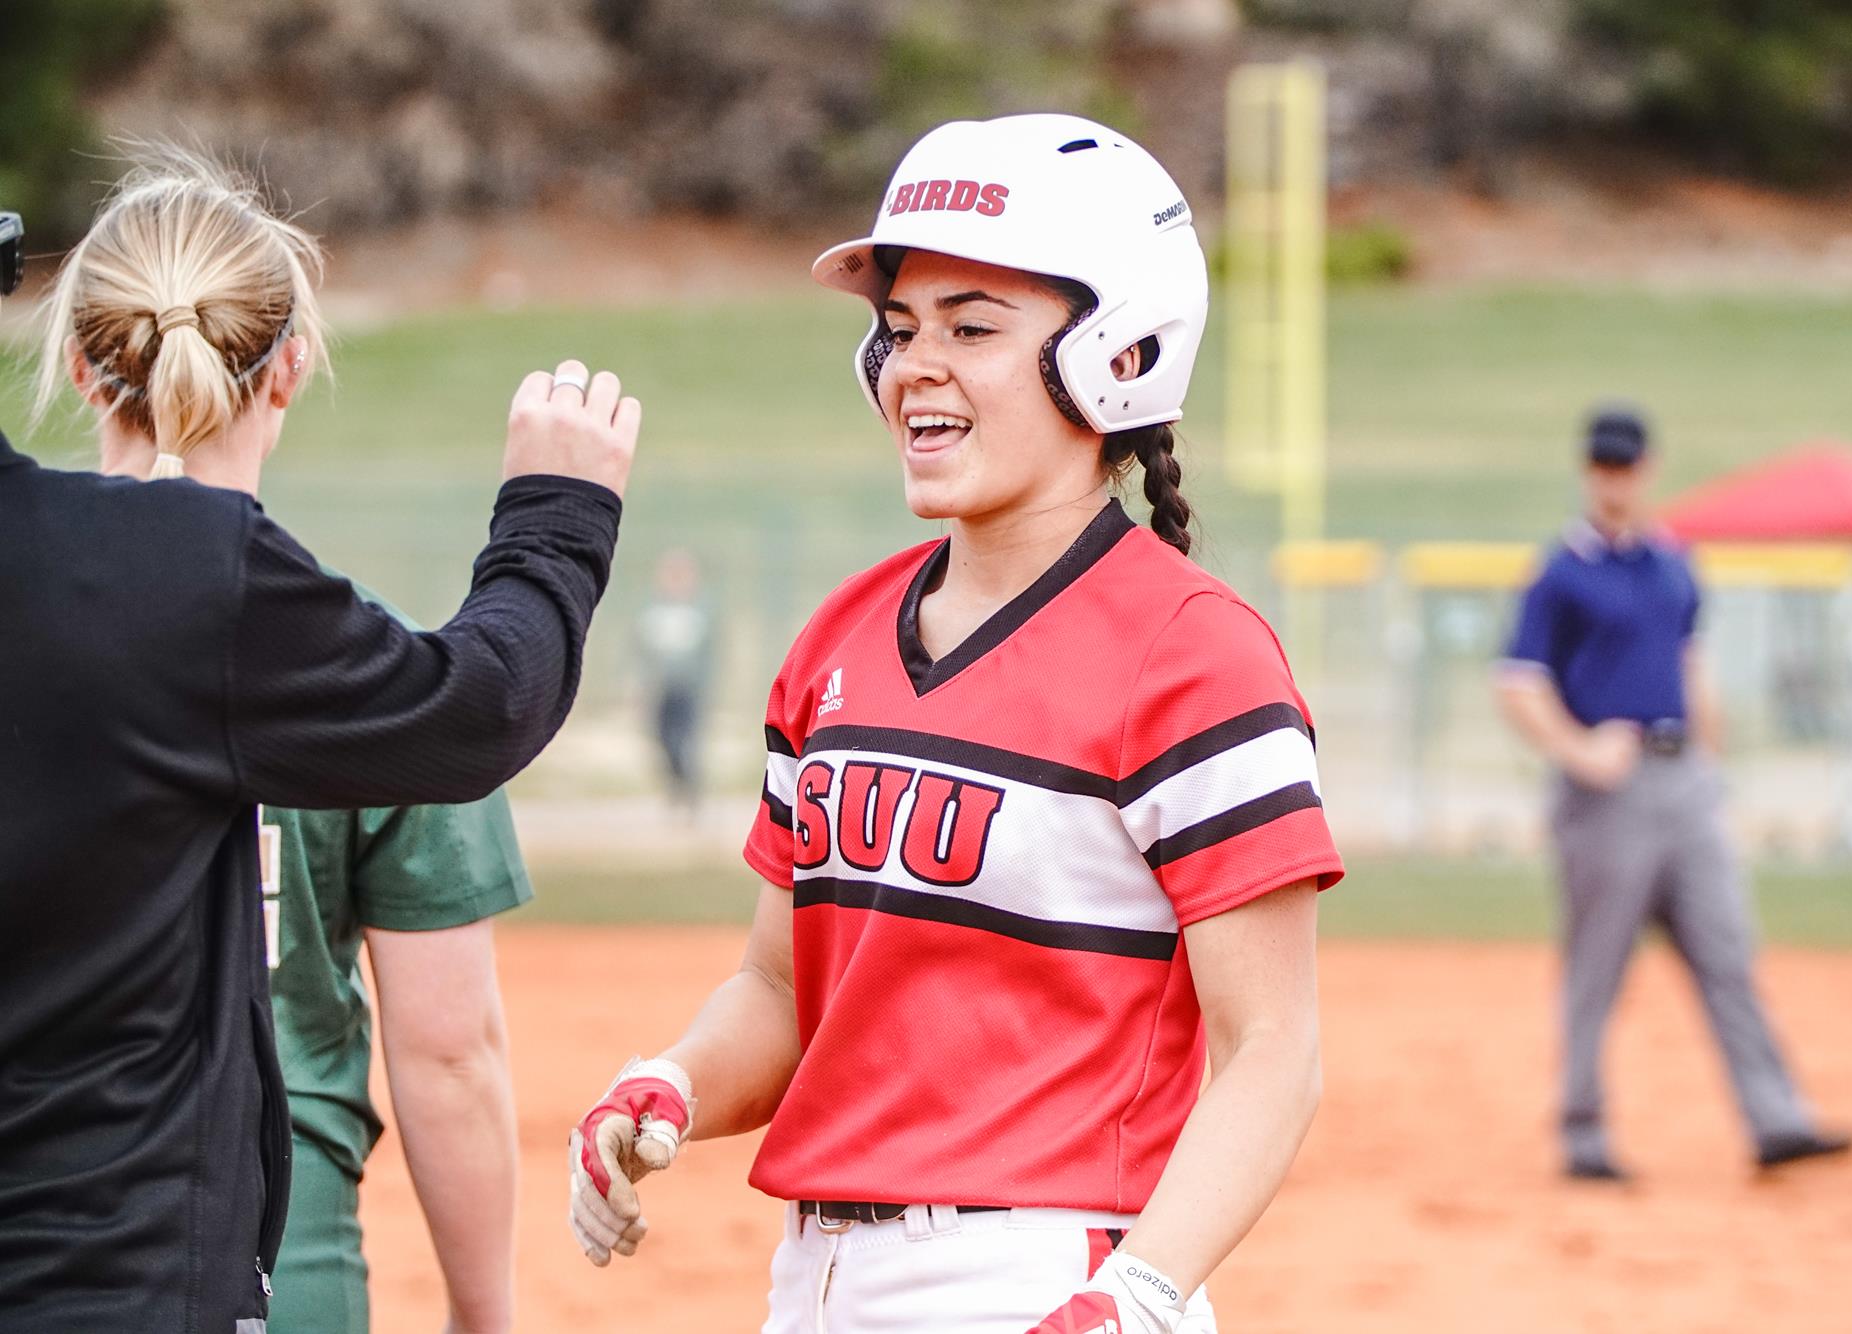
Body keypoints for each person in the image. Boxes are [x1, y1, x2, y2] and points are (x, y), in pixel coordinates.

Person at [565, 114, 1343, 1334]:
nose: (915, 363)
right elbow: (780, 986)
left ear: (1117, 352)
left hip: (1047, 1281)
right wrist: (669, 1079)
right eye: (898, 329)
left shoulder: (1191, 651)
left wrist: (1136, 1295)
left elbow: (1272, 1049)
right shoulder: (838, 636)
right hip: (815, 1277)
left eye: (972, 326)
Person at [0, 150, 640, 1332]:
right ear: (288, 362)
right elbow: (449, 1046)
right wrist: (555, 515)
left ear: (83, 365)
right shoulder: (318, 644)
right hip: (164, 1268)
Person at [1494, 403, 1852, 1182]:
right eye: (1602, 465)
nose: (1614, 479)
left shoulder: (1672, 564)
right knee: (1598, 967)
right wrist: (1579, 751)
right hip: (1607, 796)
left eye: (1626, 466)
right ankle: (1584, 1135)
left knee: (1729, 953)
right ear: (1587, 470)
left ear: (1648, 470)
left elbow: (1692, 666)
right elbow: (1518, 682)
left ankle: (1777, 1121)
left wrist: (1711, 770)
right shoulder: (1561, 572)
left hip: (1683, 782)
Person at [634, 549, 717, 812]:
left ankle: (690, 793)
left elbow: (712, 654)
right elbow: (640, 651)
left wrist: (706, 684)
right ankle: (676, 785)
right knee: (661, 739)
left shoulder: (702, 611)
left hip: (689, 689)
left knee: (685, 741)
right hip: (661, 688)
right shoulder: (652, 610)